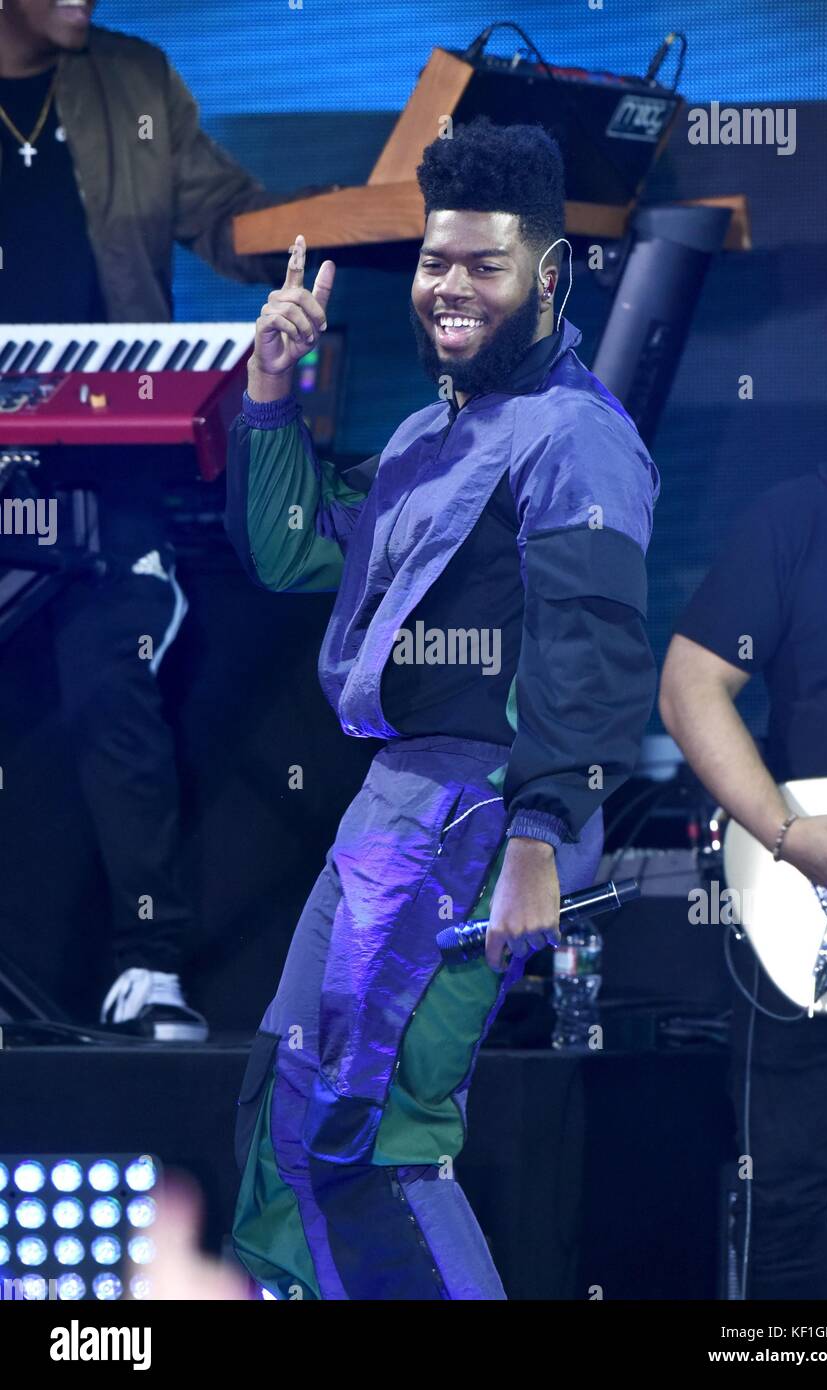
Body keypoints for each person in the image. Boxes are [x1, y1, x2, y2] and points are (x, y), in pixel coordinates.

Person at [225, 118, 659, 1299]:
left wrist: (537, 843)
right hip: (383, 810)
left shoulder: (578, 437)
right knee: (290, 1114)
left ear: (547, 274)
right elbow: (284, 549)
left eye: (484, 264)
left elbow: (589, 652)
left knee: (375, 1136)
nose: (450, 287)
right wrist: (270, 389)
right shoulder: (428, 435)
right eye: (434, 260)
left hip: (471, 814)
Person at [0, 0, 299, 1039]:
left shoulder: (134, 82)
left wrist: (320, 245)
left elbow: (227, 214)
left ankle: (149, 965)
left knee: (112, 673)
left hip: (105, 456)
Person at [659, 314, 827, 1300]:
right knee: (782, 1203)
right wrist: (786, 834)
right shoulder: (799, 521)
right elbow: (686, 687)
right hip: (821, 896)